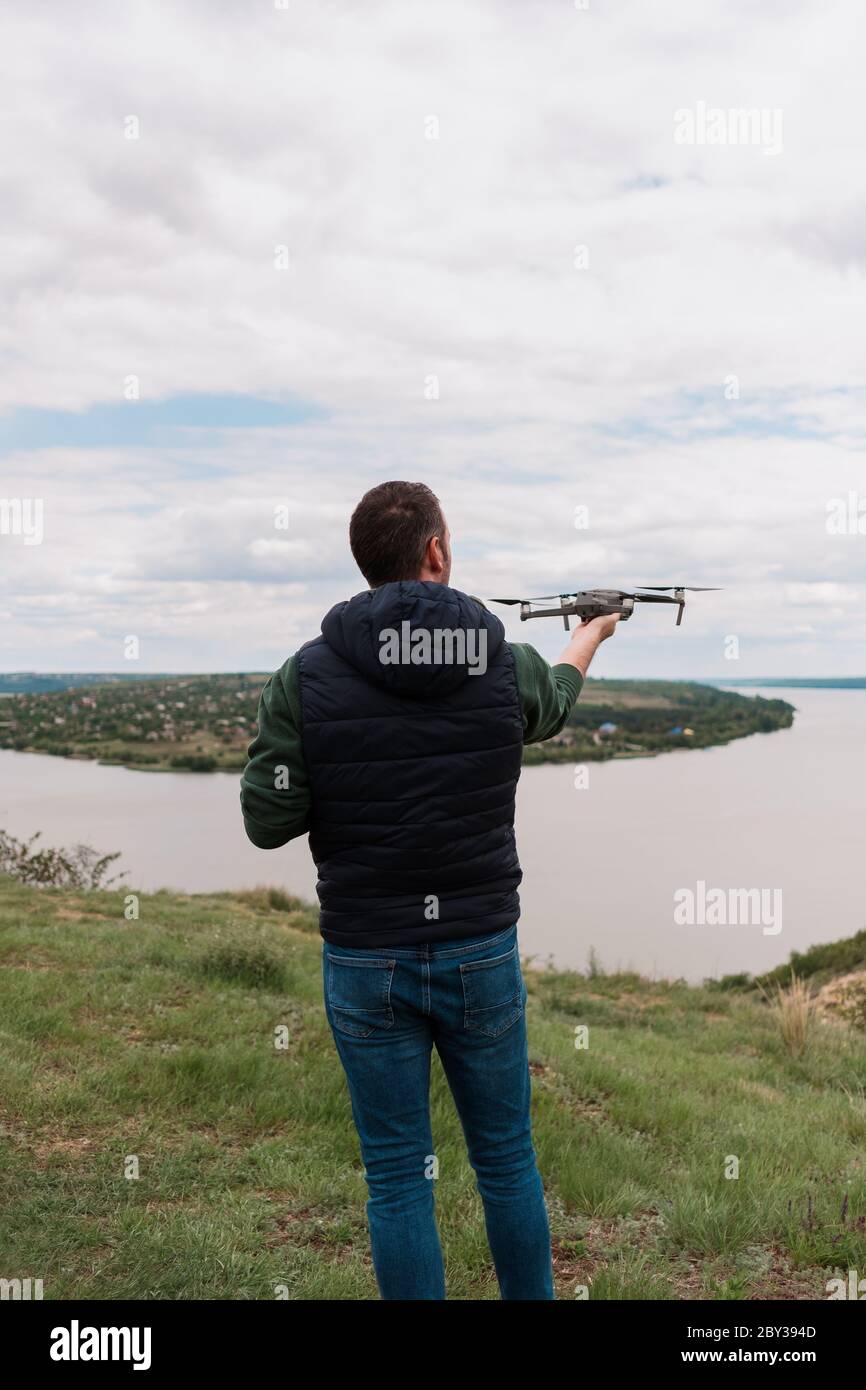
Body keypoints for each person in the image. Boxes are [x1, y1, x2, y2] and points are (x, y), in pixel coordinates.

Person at [240, 480, 619, 1299]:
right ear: (437, 552)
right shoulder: (502, 665)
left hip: (364, 959)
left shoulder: (300, 679)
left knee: (398, 1178)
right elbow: (552, 698)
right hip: (481, 951)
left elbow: (267, 821)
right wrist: (593, 633)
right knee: (508, 1162)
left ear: (367, 563)